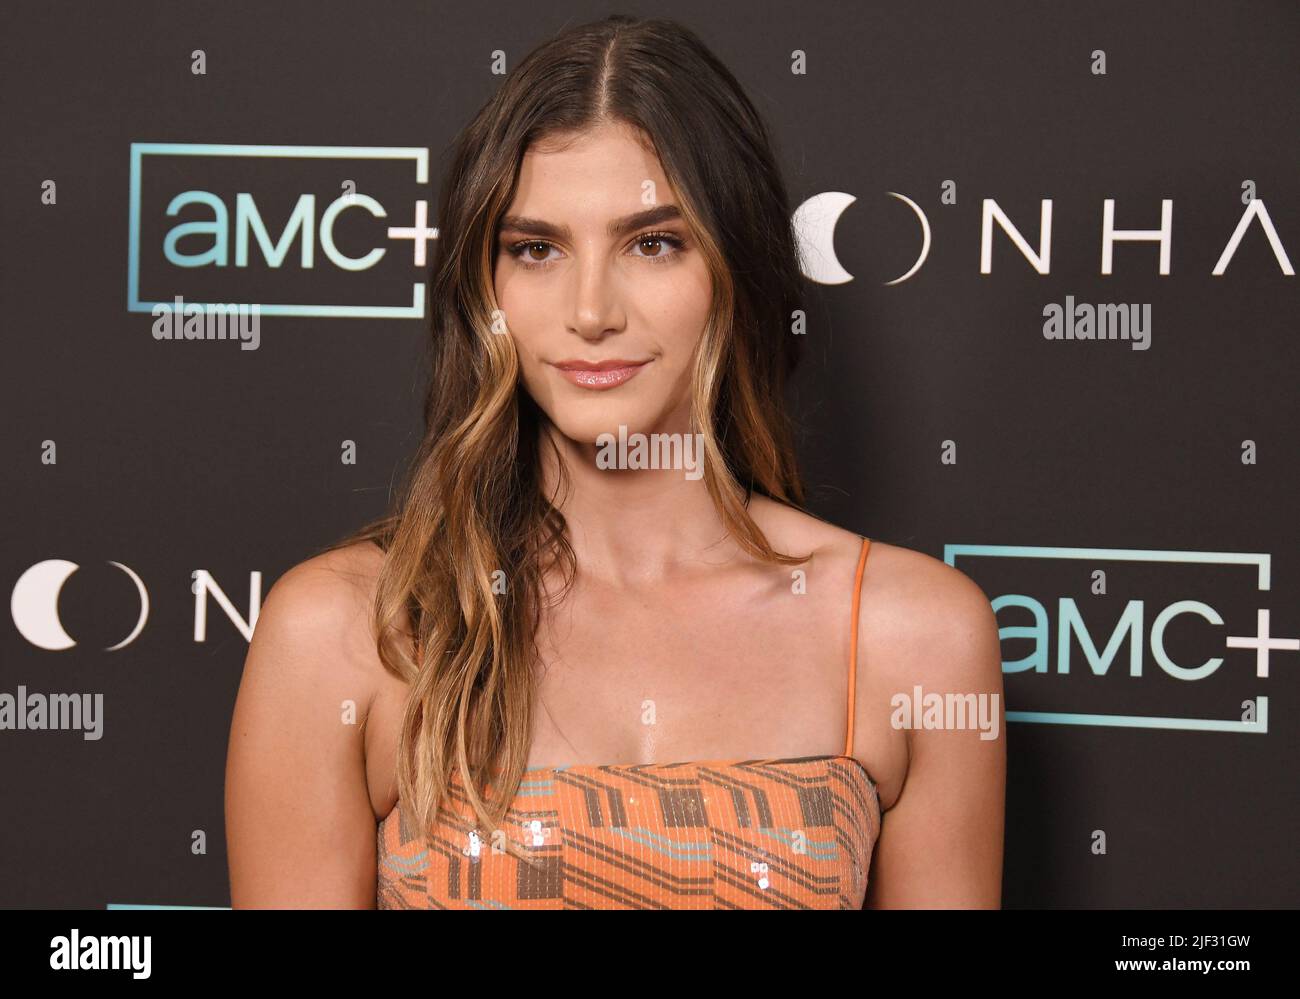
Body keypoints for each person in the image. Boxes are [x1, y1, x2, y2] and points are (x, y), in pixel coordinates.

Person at [225, 13, 1004, 909]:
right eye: (536, 248)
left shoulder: (914, 636)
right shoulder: (343, 631)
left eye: (653, 242)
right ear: (486, 285)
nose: (590, 310)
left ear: (734, 267)